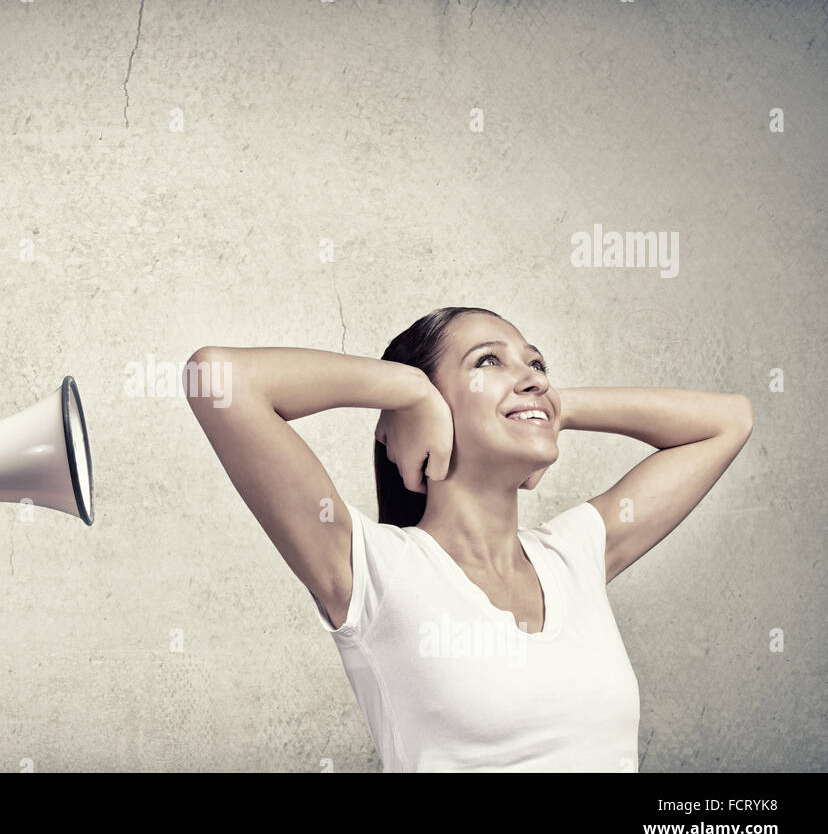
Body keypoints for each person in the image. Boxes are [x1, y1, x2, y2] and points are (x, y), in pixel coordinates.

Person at [185, 307, 753, 772]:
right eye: (489, 361)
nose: (534, 375)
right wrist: (406, 391)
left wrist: (549, 408)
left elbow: (729, 420)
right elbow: (215, 378)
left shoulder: (573, 554)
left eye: (537, 363)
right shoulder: (372, 569)